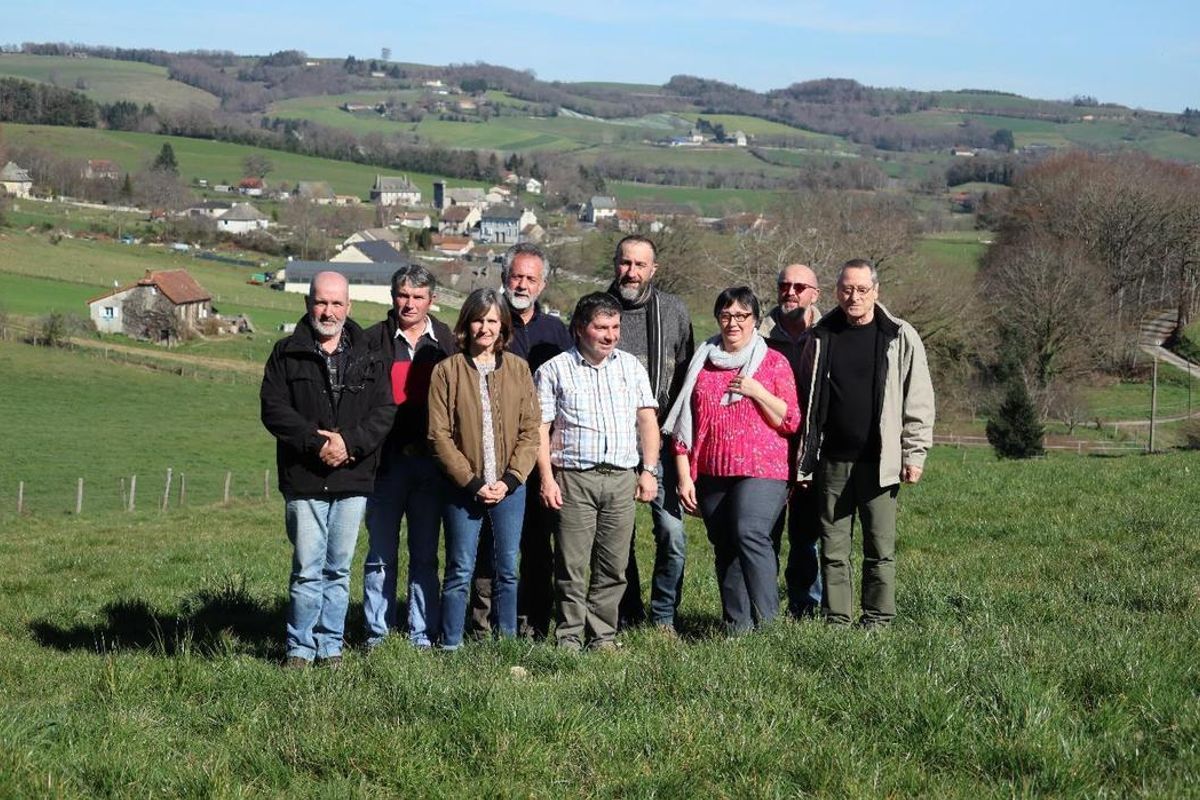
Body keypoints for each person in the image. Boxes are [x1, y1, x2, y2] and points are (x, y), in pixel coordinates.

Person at [261, 271, 395, 668]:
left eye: (337, 303)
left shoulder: (371, 354)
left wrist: (347, 444)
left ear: (349, 307)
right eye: (321, 302)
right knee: (307, 568)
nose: (328, 310)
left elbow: (384, 411)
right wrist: (317, 442)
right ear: (308, 304)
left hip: (353, 477)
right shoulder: (285, 353)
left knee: (338, 567)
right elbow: (274, 409)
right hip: (304, 477)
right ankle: (299, 648)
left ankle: (330, 646)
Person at [797, 259, 935, 628]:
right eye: (846, 289)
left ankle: (877, 619)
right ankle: (837, 620)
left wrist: (915, 453)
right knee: (833, 549)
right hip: (832, 462)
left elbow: (918, 399)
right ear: (837, 290)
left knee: (880, 549)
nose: (853, 296)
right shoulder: (820, 335)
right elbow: (805, 399)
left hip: (880, 461)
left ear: (876, 291)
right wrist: (805, 459)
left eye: (861, 289)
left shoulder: (900, 335)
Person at [666, 287, 799, 634]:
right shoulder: (702, 363)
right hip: (711, 470)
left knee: (750, 531)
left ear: (755, 321)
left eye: (742, 316)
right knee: (725, 545)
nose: (733, 322)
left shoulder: (773, 363)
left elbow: (791, 419)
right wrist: (684, 477)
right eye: (726, 315)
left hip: (763, 470)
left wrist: (757, 390)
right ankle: (737, 628)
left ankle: (769, 625)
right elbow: (684, 425)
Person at [535, 292, 661, 651]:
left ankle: (603, 634)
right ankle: (569, 637)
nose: (610, 335)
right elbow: (540, 430)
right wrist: (546, 478)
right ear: (580, 329)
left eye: (615, 327)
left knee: (613, 565)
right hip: (574, 479)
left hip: (621, 478)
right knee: (571, 566)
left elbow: (647, 420)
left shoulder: (631, 367)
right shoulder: (554, 370)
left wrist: (648, 470)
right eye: (601, 327)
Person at [468, 243, 574, 640]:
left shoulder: (555, 333)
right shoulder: (487, 322)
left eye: (531, 278)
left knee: (536, 545)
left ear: (543, 284)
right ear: (504, 278)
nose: (523, 284)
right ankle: (483, 624)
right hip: (489, 455)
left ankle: (531, 622)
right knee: (486, 545)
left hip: (540, 454)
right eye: (517, 276)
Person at [428, 288, 541, 649]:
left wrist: (509, 481)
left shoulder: (519, 370)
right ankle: (451, 644)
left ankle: (505, 641)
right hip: (463, 489)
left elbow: (530, 430)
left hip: (511, 488)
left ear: (503, 325)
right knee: (460, 570)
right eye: (478, 319)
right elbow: (439, 435)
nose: (485, 327)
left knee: (508, 570)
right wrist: (472, 482)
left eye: (492, 320)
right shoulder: (446, 371)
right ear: (466, 323)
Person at [363, 265, 456, 649]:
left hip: (431, 467)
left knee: (425, 556)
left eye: (418, 297)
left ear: (431, 300)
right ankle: (376, 634)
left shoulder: (448, 341)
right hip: (384, 465)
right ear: (392, 296)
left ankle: (422, 633)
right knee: (380, 555)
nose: (410, 303)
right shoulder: (371, 341)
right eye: (403, 295)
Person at [606, 235, 694, 633]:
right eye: (626, 263)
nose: (632, 272)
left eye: (641, 265)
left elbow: (688, 380)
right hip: (612, 445)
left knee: (672, 534)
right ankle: (625, 612)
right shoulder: (598, 309)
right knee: (616, 538)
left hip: (664, 443)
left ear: (653, 270)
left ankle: (663, 616)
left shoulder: (674, 311)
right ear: (615, 264)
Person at [759, 263, 824, 618]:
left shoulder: (831, 333)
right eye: (784, 285)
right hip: (769, 445)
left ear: (816, 293)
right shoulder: (758, 334)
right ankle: (762, 604)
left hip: (815, 448)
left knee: (806, 534)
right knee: (765, 531)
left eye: (800, 286)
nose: (791, 292)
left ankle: (806, 605)